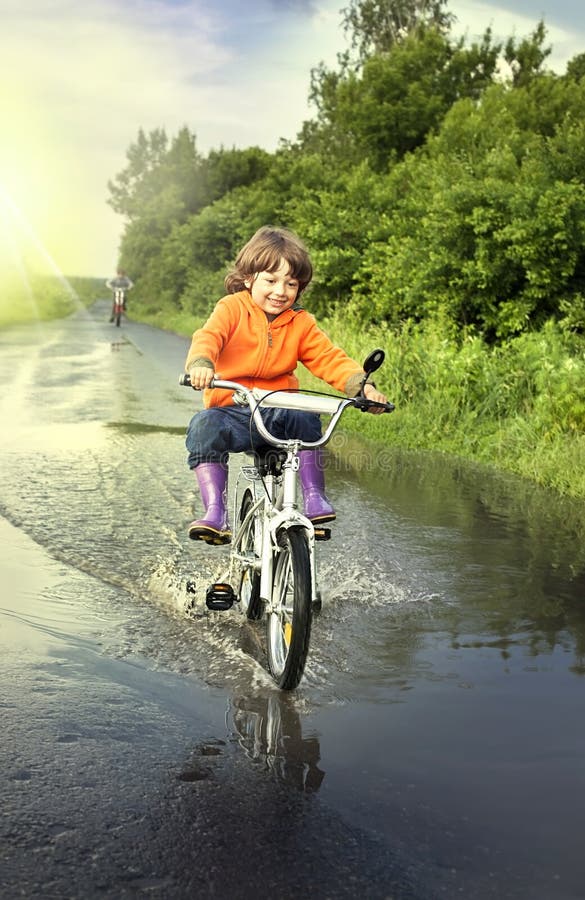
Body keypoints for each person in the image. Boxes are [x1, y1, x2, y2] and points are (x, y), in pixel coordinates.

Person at [184, 225, 388, 545]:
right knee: (202, 427)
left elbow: (328, 358)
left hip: (280, 410)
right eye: (271, 280)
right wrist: (201, 365)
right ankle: (215, 512)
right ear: (249, 278)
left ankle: (314, 498)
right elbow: (207, 338)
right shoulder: (231, 309)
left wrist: (362, 388)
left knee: (306, 417)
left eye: (291, 283)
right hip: (234, 412)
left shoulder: (300, 322)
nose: (281, 291)